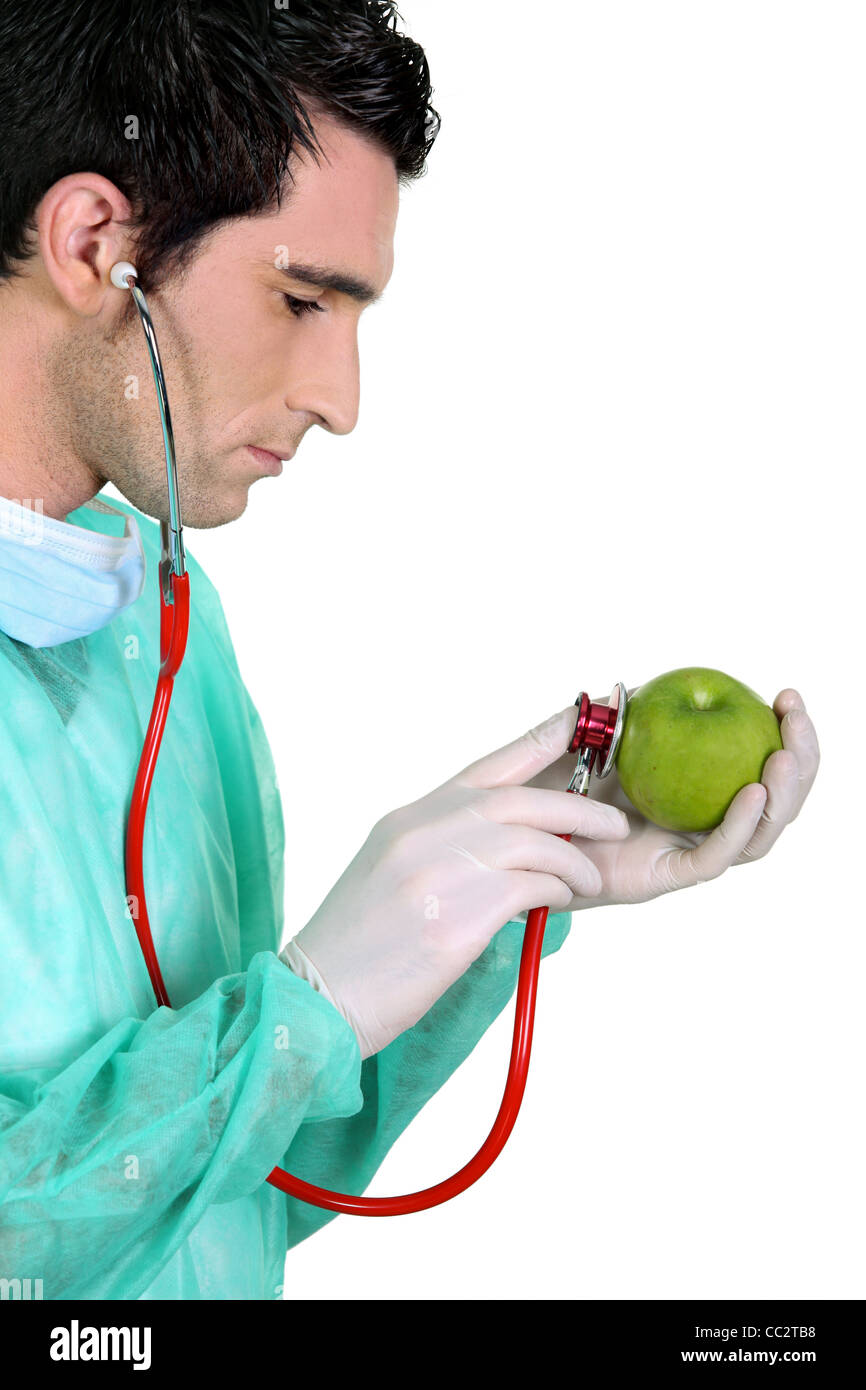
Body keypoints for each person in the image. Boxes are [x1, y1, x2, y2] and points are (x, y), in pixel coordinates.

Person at [0, 1, 819, 1301]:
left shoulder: (163, 617)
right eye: (298, 299)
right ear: (97, 243)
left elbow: (242, 1183)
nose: (341, 400)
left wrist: (508, 885)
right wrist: (309, 998)